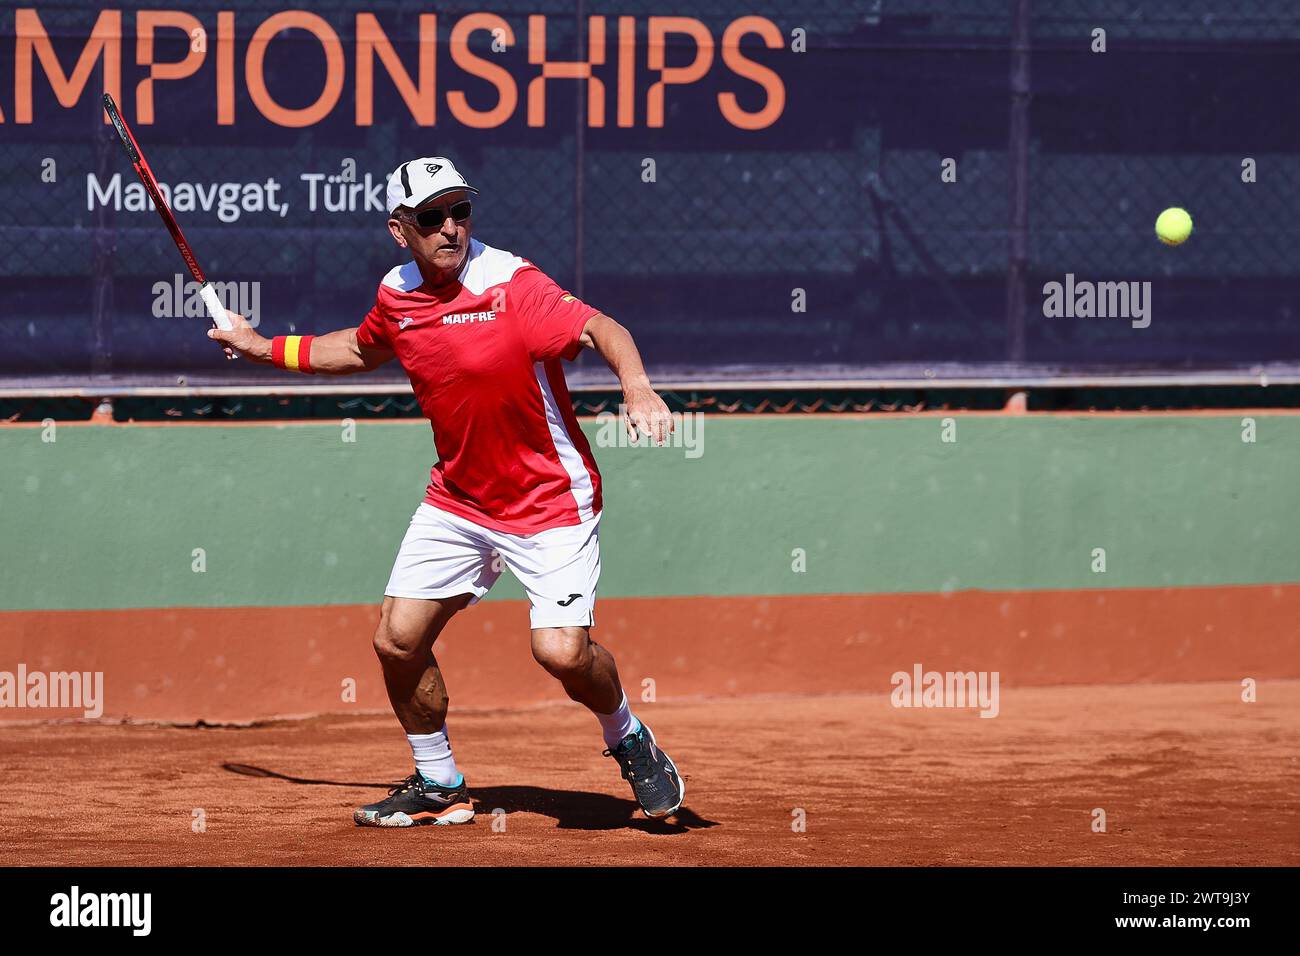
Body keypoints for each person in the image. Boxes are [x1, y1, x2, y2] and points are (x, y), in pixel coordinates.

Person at [209, 157, 685, 825]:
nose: (451, 227)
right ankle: (438, 782)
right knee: (397, 640)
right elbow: (360, 348)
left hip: (550, 501)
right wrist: (266, 349)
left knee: (560, 652)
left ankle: (627, 736)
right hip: (460, 501)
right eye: (432, 217)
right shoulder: (397, 294)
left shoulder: (513, 285)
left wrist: (636, 386)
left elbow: (603, 329)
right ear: (400, 230)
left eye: (461, 211)